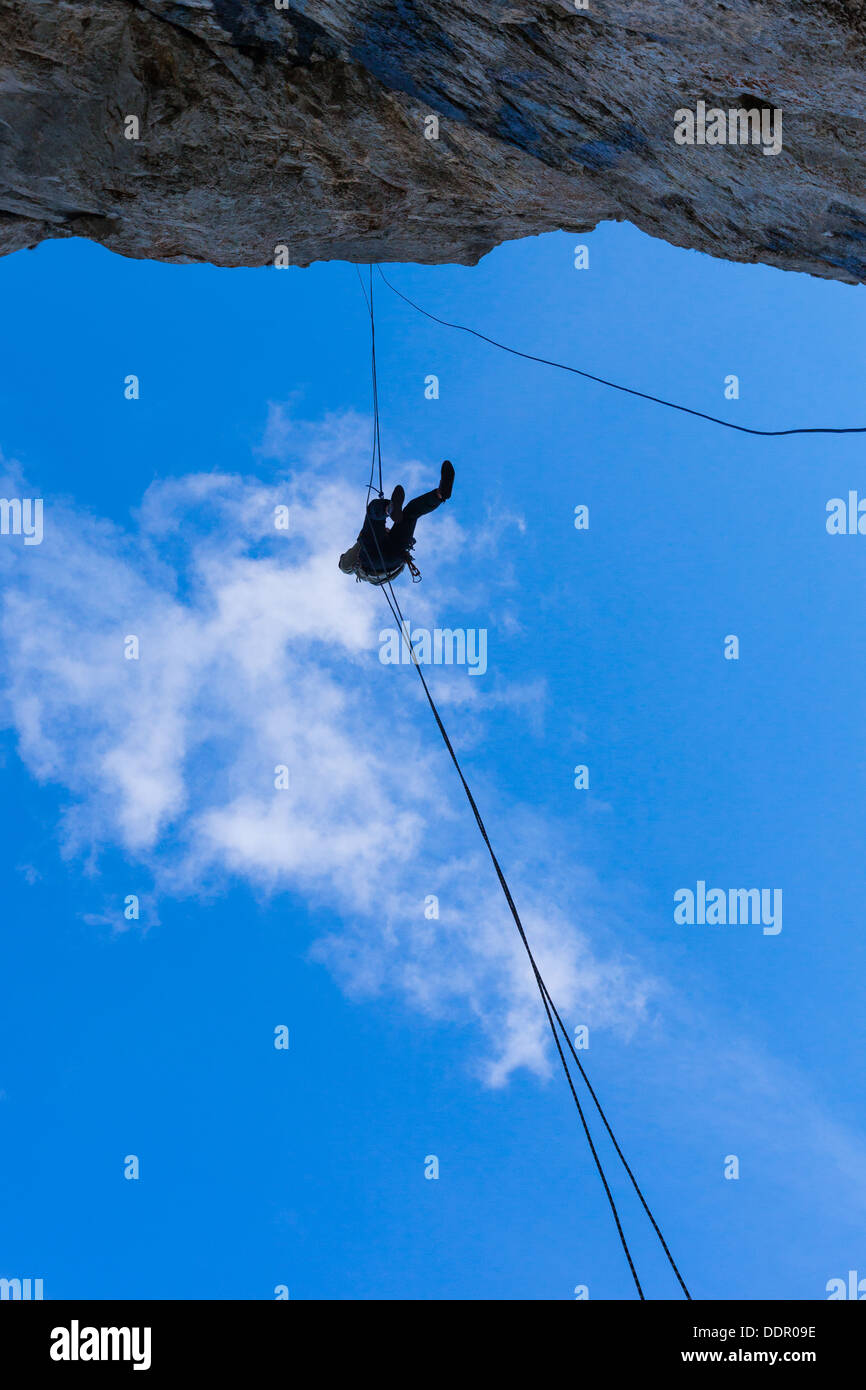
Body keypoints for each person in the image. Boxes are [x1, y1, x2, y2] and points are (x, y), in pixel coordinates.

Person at [339, 460, 455, 584]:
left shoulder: (371, 569)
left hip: (395, 558)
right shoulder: (351, 564)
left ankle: (440, 494)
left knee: (410, 513)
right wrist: (361, 542)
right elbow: (345, 565)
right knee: (373, 515)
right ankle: (389, 508)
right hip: (375, 559)